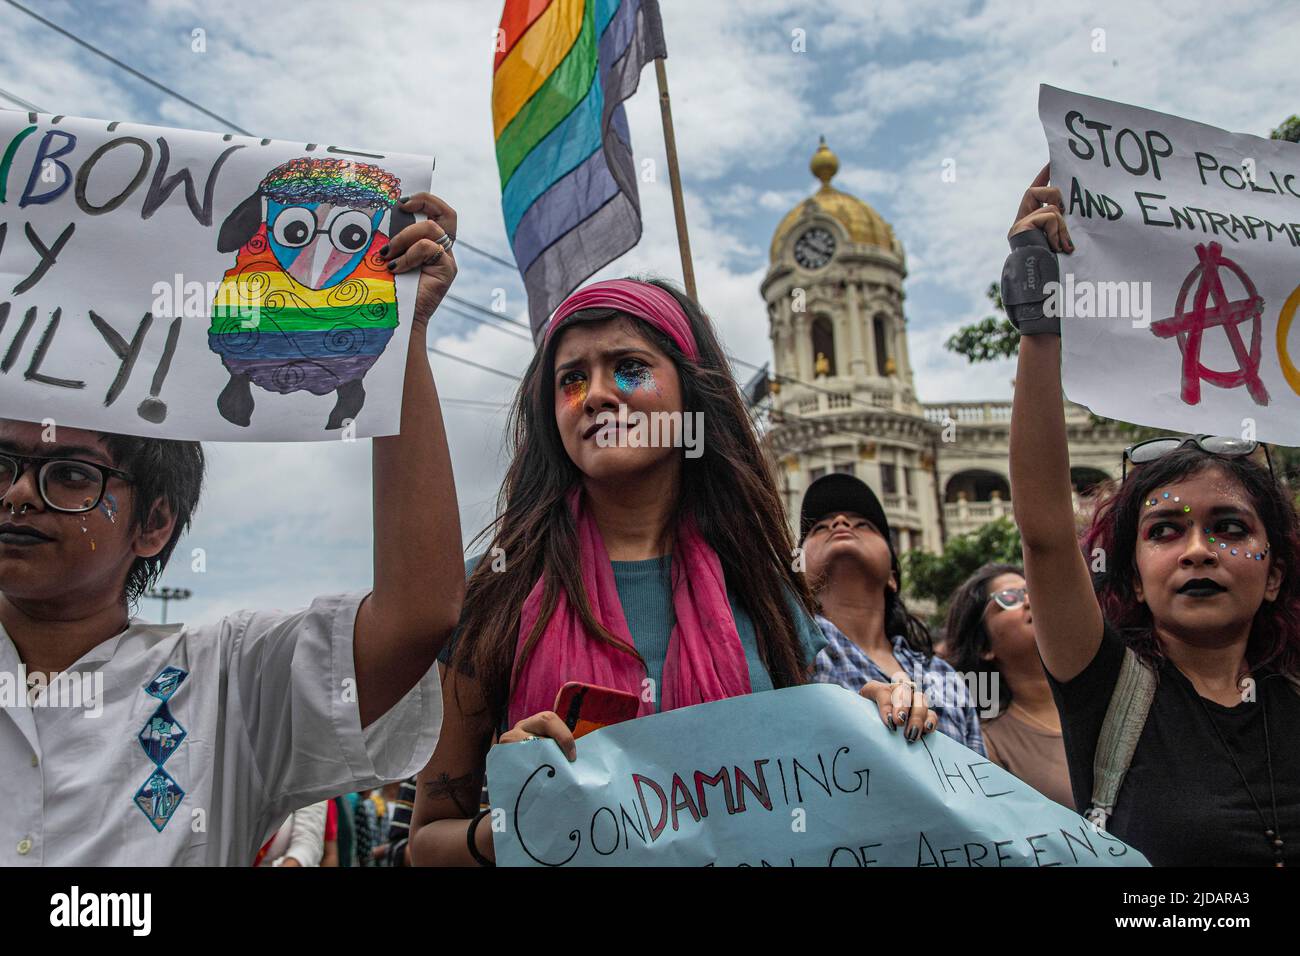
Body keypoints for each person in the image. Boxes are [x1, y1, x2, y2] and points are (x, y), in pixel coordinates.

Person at [0, 192, 465, 866]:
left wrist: (403, 335)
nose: (18, 493)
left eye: (70, 476)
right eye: (5, 465)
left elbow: (419, 614)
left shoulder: (228, 683)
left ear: (154, 525)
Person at [408, 278, 933, 866]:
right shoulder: (490, 596)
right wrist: (512, 823)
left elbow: (801, 805)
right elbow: (426, 844)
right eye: (571, 380)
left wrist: (868, 734)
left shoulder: (767, 595)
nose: (597, 396)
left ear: (691, 397)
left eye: (630, 368)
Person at [1006, 165, 1300, 865]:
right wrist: (1037, 310)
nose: (1198, 550)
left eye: (1230, 528)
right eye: (1165, 531)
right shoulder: (1106, 689)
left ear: (1278, 575)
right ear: (1132, 577)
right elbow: (1046, 534)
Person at [801, 473, 985, 753]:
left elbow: (980, 787)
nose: (839, 522)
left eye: (863, 524)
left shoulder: (944, 677)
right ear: (800, 575)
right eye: (819, 528)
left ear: (892, 576)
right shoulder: (785, 645)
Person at [942, 564, 1072, 807]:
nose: (1030, 601)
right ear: (984, 647)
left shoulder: (1105, 698)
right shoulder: (984, 743)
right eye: (1009, 598)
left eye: (1034, 590)